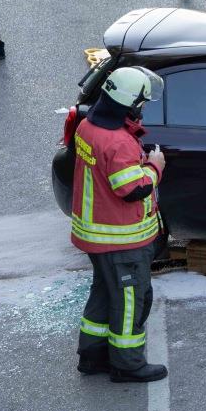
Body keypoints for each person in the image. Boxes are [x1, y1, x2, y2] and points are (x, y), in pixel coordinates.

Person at [72, 67, 168, 383]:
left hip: (96, 237)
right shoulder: (119, 144)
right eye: (141, 103)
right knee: (130, 303)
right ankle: (127, 365)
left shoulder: (87, 127)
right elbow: (133, 190)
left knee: (104, 294)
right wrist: (154, 167)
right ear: (129, 103)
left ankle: (92, 356)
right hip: (122, 241)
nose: (142, 109)